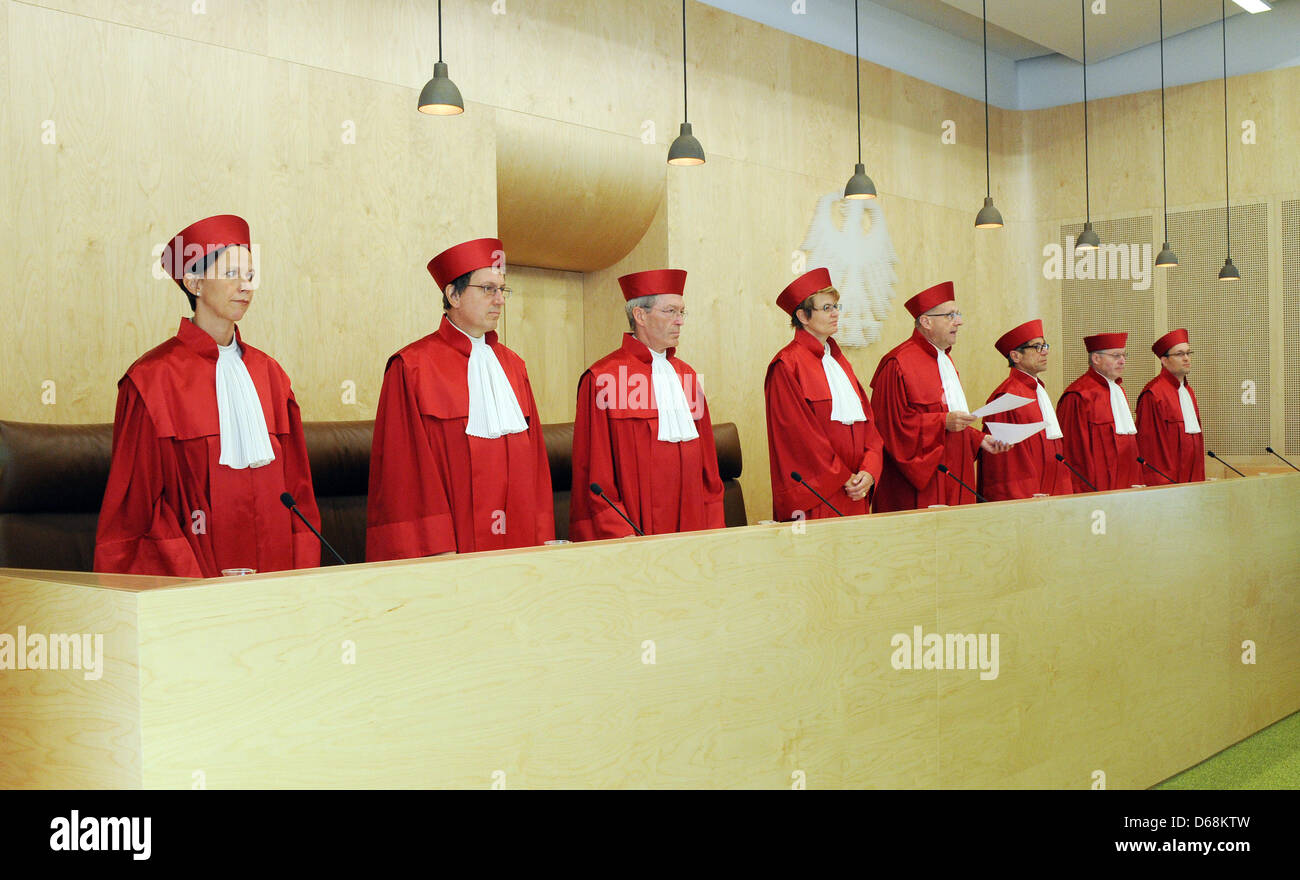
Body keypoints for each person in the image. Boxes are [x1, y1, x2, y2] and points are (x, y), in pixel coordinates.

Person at [95, 214, 321, 577]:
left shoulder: (271, 376)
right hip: (195, 582)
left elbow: (298, 493)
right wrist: (197, 586)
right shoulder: (152, 380)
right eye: (231, 274)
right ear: (194, 282)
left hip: (277, 580)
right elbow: (139, 511)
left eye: (250, 275)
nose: (245, 287)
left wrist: (300, 575)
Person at [366, 238, 553, 559]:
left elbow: (536, 464)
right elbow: (404, 474)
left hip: (520, 544)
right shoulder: (411, 367)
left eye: (502, 290)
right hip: (450, 550)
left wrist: (543, 537)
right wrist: (436, 549)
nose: (499, 300)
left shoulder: (514, 367)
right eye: (487, 289)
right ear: (453, 294)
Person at [569, 269, 725, 540]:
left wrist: (712, 528)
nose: (680, 321)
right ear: (640, 315)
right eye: (670, 312)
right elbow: (594, 472)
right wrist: (621, 536)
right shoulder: (603, 378)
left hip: (694, 529)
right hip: (633, 534)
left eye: (682, 312)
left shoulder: (687, 376)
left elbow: (708, 467)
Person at [868, 281, 1009, 511]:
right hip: (920, 483)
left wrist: (978, 439)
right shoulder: (897, 363)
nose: (959, 321)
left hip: (955, 474)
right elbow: (890, 428)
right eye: (951, 315)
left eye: (958, 314)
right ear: (926, 321)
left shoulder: (945, 359)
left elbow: (950, 419)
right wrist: (943, 422)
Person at [764, 267, 884, 520]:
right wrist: (842, 476)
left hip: (855, 489)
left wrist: (870, 470)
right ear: (803, 316)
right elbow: (798, 439)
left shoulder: (840, 362)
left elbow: (869, 425)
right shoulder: (787, 365)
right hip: (817, 494)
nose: (835, 314)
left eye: (836, 307)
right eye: (827, 308)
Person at [976, 319, 1073, 501]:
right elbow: (1004, 462)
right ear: (1016, 356)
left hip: (1048, 488)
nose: (1045, 351)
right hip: (1026, 495)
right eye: (1037, 347)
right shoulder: (1007, 396)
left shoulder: (1038, 390)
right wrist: (1023, 497)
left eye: (1045, 345)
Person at [1056, 332, 1141, 492]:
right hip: (1096, 489)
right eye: (1116, 356)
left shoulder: (1118, 391)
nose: (1122, 361)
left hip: (1126, 484)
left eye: (1124, 355)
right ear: (1096, 359)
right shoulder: (1078, 395)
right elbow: (1073, 455)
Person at [1136, 328, 1204, 484]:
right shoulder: (1153, 394)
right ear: (1164, 360)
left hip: (1191, 478)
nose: (1186, 358)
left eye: (1188, 353)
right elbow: (1150, 449)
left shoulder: (1188, 391)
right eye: (1180, 354)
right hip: (1168, 482)